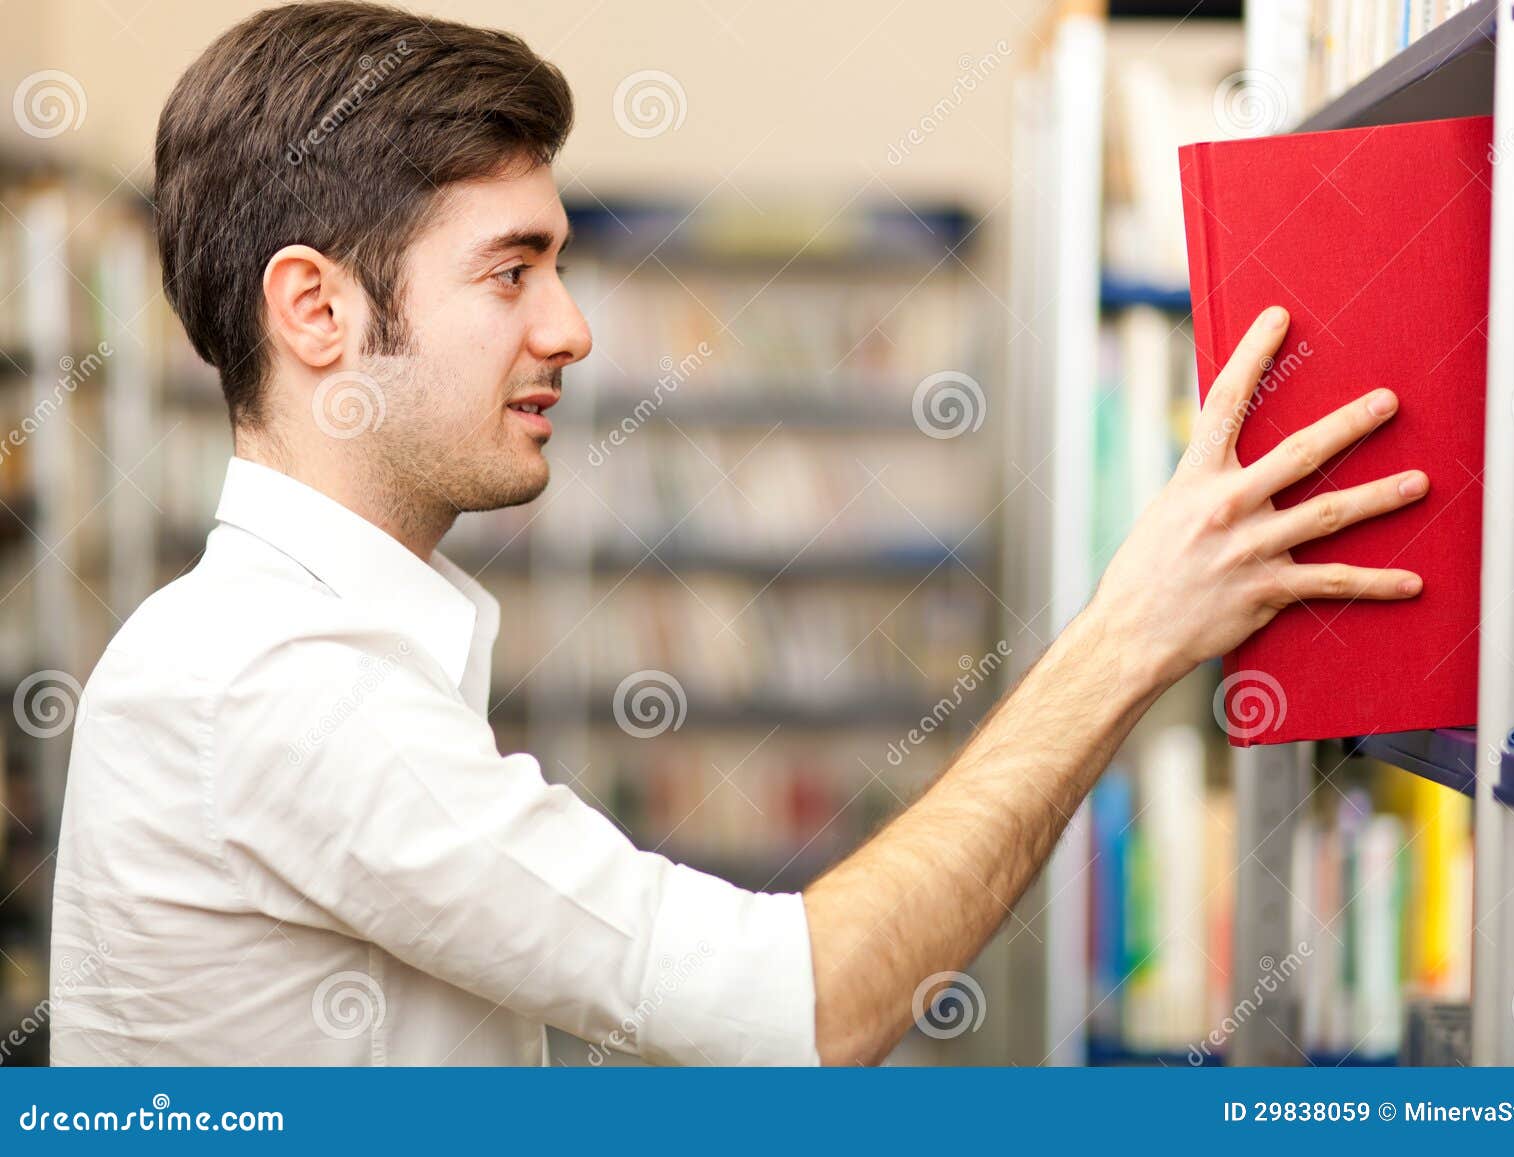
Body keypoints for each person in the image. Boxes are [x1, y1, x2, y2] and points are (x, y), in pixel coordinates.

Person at [48, 1, 1428, 1066]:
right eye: (512, 270)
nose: (571, 327)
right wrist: (1130, 631)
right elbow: (811, 1003)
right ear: (316, 312)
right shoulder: (277, 687)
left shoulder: (295, 649)